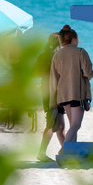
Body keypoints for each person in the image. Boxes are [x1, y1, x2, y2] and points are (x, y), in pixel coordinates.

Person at [49, 25, 93, 144]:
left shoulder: (57, 55)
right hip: (77, 93)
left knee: (72, 126)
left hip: (63, 95)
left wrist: (52, 101)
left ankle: (72, 153)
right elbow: (89, 74)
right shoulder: (80, 52)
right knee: (76, 125)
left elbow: (54, 80)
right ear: (73, 39)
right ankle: (64, 150)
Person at [36, 33, 64, 161]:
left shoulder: (43, 56)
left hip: (46, 92)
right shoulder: (58, 57)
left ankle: (65, 150)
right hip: (56, 94)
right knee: (52, 124)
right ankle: (41, 153)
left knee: (60, 125)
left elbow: (34, 73)